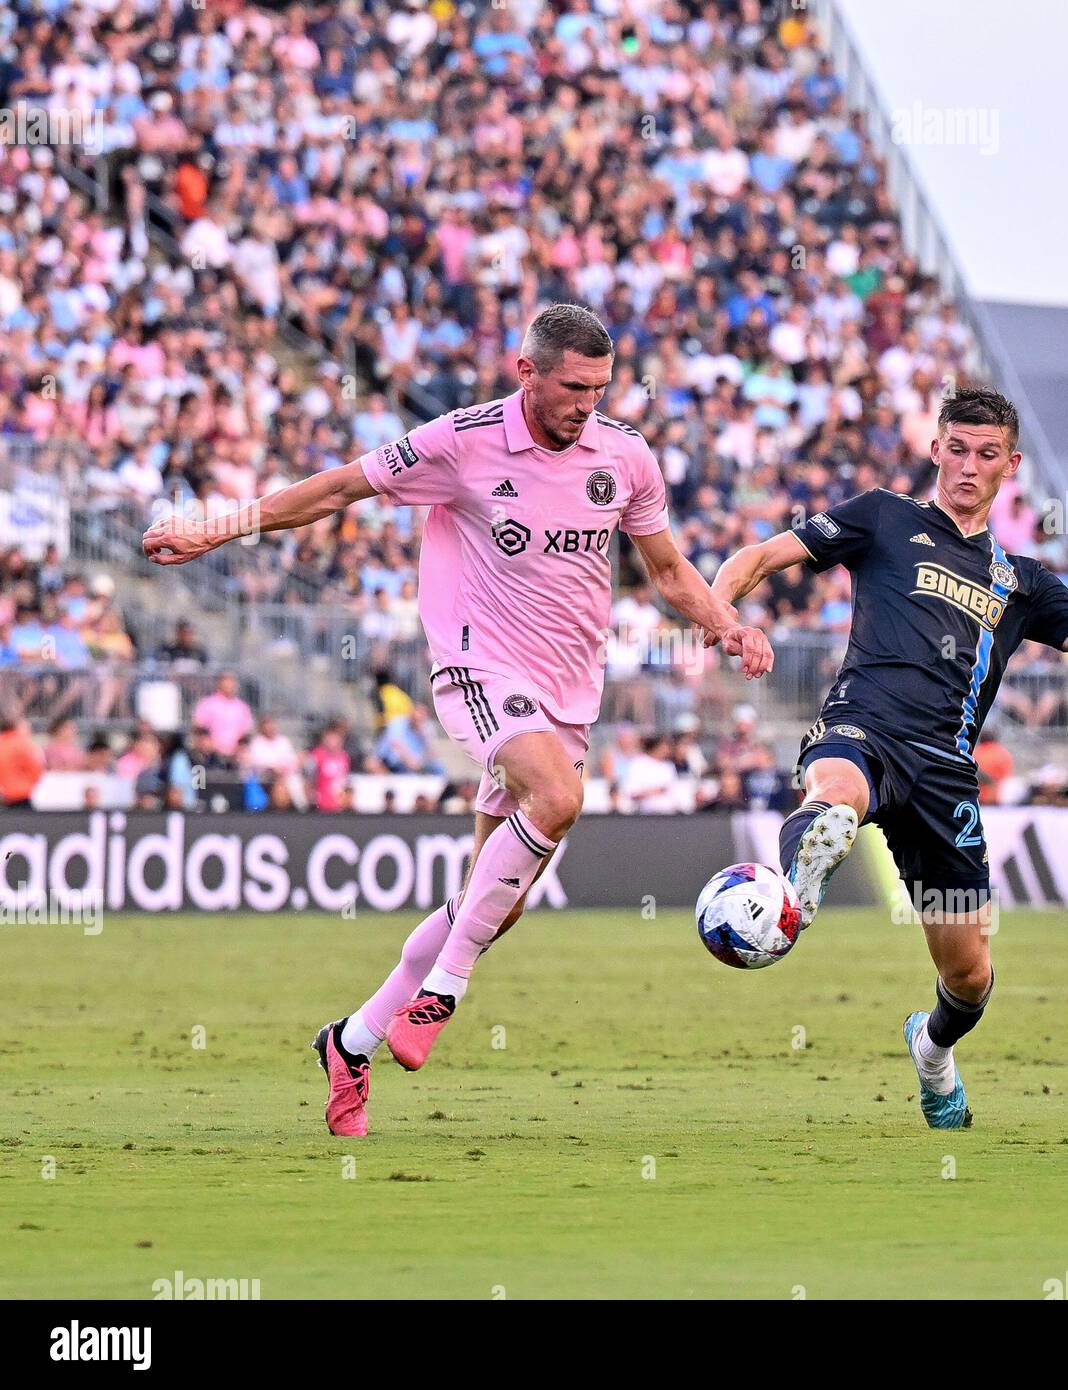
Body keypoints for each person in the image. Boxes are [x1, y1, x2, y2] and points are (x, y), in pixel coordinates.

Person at [143, 302, 772, 1137]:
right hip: (478, 667)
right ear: (527, 373)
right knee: (557, 800)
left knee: (494, 901)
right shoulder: (459, 442)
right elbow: (336, 489)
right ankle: (444, 991)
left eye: (600, 387)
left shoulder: (624, 456)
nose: (588, 402)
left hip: (568, 694)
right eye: (574, 387)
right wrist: (215, 528)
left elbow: (666, 568)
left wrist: (723, 623)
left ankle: (351, 1040)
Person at [710, 386, 1068, 1130]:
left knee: (970, 976)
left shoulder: (1025, 582)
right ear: (935, 449)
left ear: (1010, 465)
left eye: (986, 454)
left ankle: (930, 1049)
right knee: (834, 793)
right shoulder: (882, 516)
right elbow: (760, 555)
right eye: (955, 448)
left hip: (947, 773)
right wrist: (721, 613)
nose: (967, 465)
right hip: (865, 726)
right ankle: (799, 888)